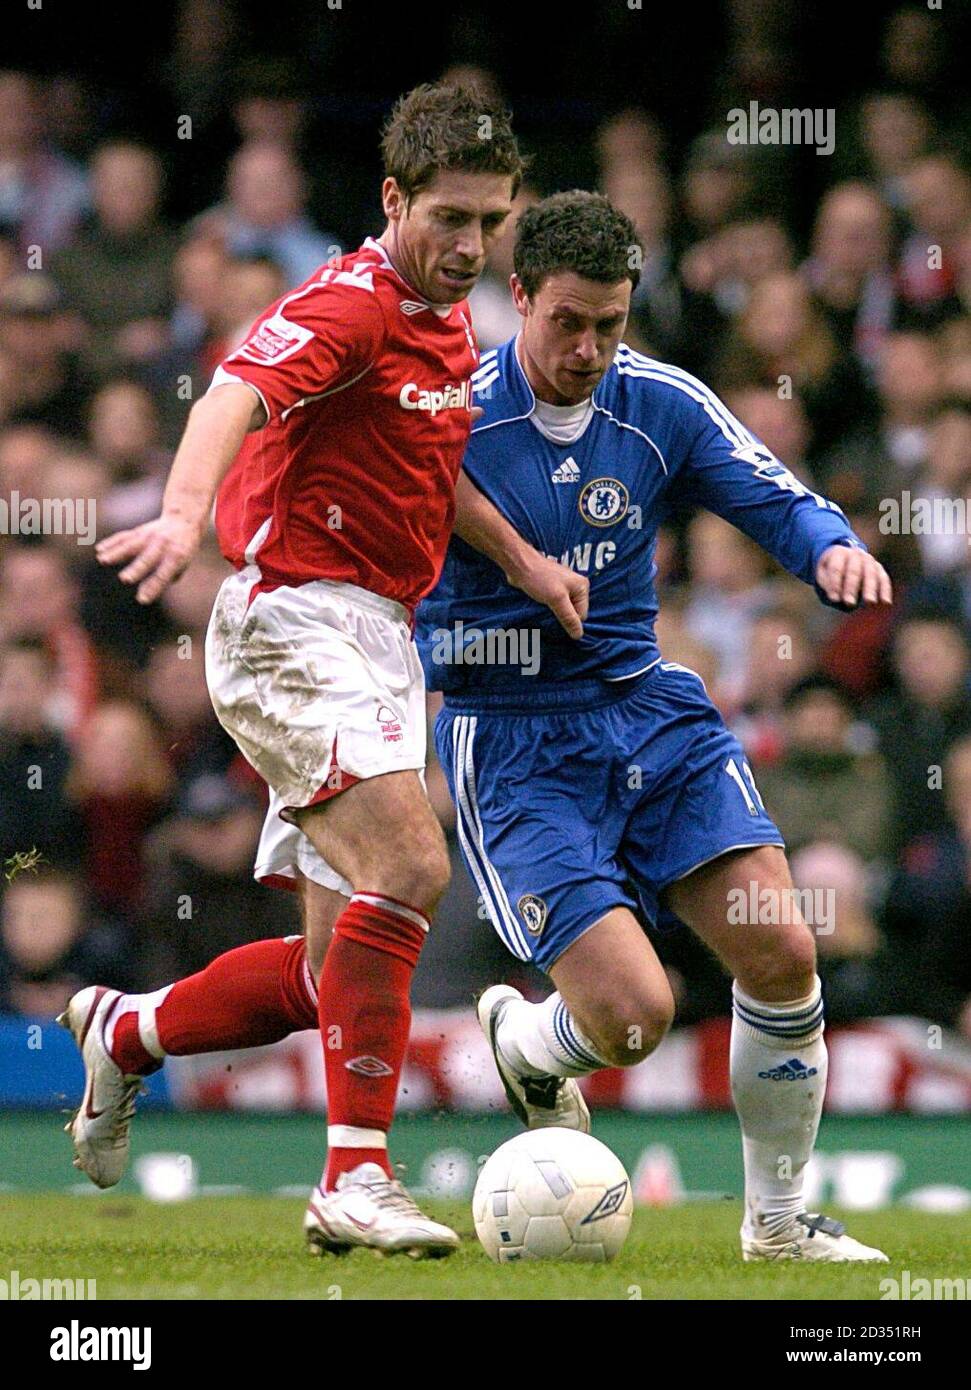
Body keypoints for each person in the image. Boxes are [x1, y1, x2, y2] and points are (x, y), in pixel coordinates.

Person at [58, 83, 584, 1259]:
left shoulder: (447, 319)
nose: (468, 245)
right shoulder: (349, 299)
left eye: (489, 222)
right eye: (448, 217)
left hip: (378, 634)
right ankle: (355, 1174)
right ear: (393, 199)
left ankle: (127, 1033)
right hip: (291, 617)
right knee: (408, 860)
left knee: (327, 967)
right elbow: (236, 390)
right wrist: (185, 513)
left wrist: (527, 560)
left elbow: (428, 465)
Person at [418, 191, 893, 1263]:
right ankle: (531, 1043)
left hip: (647, 711)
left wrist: (825, 549)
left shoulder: (657, 401)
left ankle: (775, 1223)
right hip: (513, 739)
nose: (588, 348)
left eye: (611, 324)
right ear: (518, 297)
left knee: (779, 947)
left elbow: (768, 489)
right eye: (567, 322)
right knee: (635, 1019)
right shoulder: (445, 412)